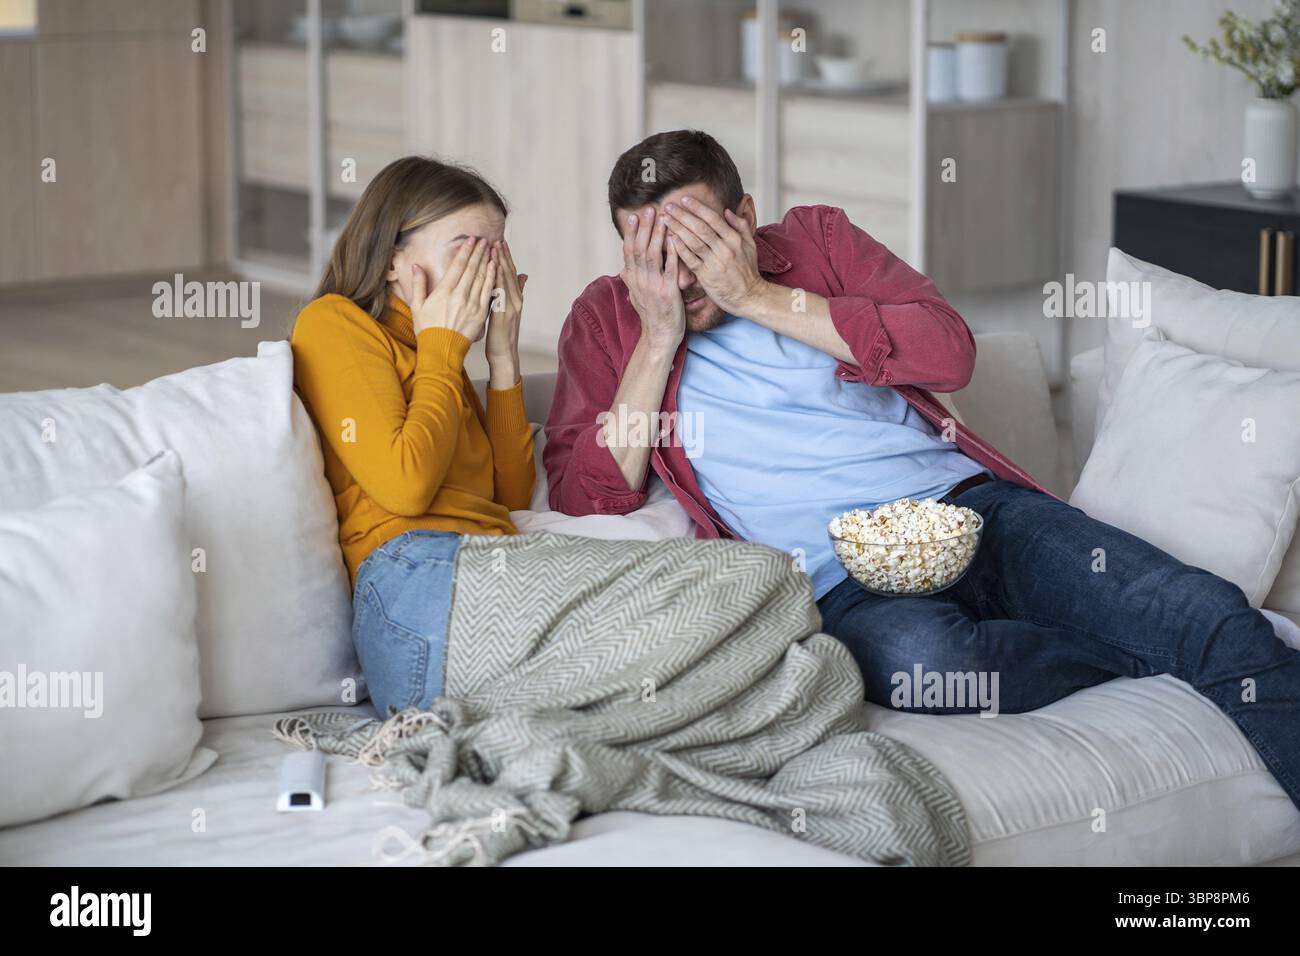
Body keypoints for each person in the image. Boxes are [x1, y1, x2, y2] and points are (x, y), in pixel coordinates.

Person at [543, 129, 1300, 811]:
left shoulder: (817, 240)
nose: (678, 277)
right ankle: (1139, 642)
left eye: (698, 244)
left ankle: (1176, 636)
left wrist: (761, 297)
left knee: (1203, 613)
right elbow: (586, 499)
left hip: (970, 510)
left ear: (742, 217)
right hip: (837, 581)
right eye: (651, 255)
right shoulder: (608, 320)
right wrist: (656, 341)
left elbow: (950, 351)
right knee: (927, 663)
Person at [291, 156, 534, 717]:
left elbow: (510, 500)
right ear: (392, 261)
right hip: (413, 573)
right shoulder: (336, 324)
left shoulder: (437, 357)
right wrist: (445, 347)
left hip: (493, 560)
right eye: (466, 248)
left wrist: (501, 357)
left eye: (494, 252)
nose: (487, 272)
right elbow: (406, 488)